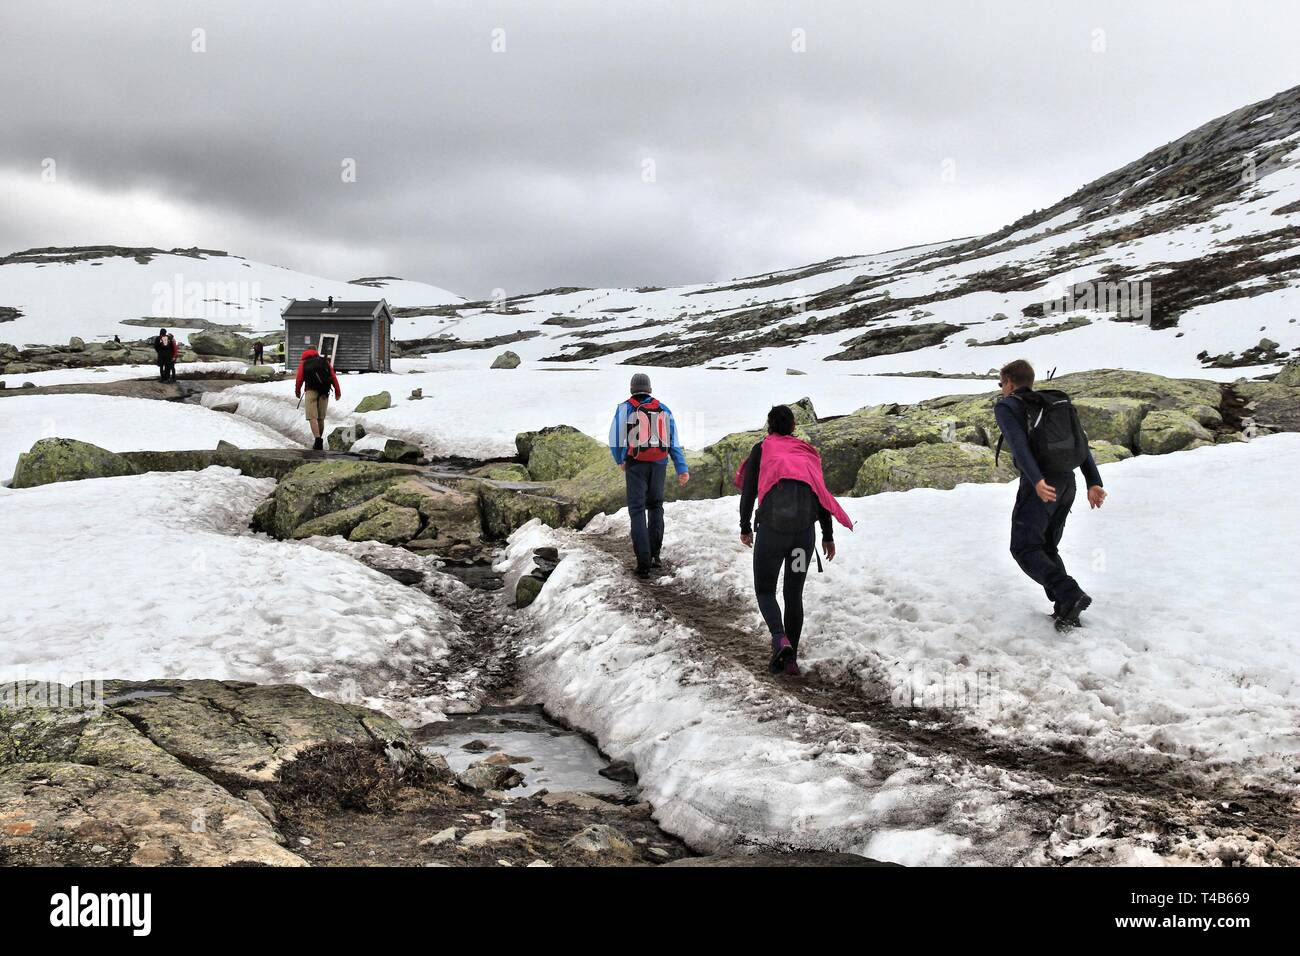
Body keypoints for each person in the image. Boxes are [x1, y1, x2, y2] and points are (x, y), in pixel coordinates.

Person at [736, 405, 853, 675]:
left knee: (765, 590)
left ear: (769, 425)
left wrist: (745, 526)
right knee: (793, 594)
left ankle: (780, 639)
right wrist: (828, 535)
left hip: (771, 536)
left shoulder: (762, 449)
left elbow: (749, 492)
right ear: (793, 427)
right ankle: (791, 660)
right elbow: (821, 494)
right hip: (802, 536)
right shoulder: (806, 452)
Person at [994, 359, 1107, 630]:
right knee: (1045, 547)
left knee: (1023, 548)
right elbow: (1081, 441)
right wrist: (1093, 481)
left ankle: (1069, 593)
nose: (1001, 389)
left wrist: (1036, 481)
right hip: (1067, 482)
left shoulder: (1008, 406)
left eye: (1001, 383)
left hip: (1042, 487)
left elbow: (1020, 447)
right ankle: (1066, 607)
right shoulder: (1052, 404)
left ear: (1009, 382)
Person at [607, 372, 690, 577]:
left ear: (632, 389)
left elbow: (614, 437)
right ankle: (654, 556)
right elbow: (673, 441)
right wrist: (682, 468)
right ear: (650, 389)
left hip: (636, 465)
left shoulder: (625, 407)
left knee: (637, 511)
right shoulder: (663, 408)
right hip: (659, 464)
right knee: (655, 507)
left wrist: (620, 460)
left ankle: (642, 563)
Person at [294, 346, 341, 451]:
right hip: (324, 391)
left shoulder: (304, 362)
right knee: (321, 418)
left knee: (312, 417)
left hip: (310, 391)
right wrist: (337, 391)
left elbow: (299, 378)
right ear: (316, 351)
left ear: (306, 352)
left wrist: (297, 391)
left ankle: (318, 440)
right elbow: (333, 376)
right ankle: (319, 440)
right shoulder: (324, 361)